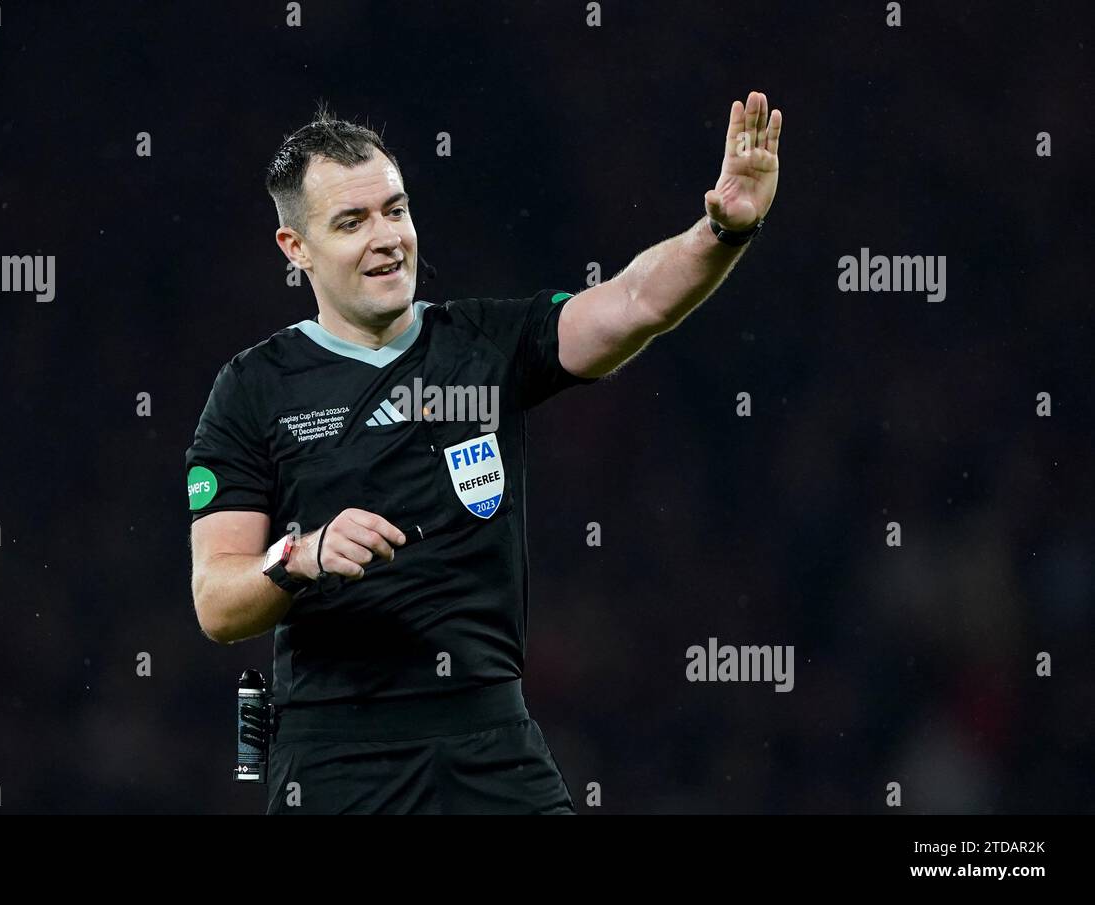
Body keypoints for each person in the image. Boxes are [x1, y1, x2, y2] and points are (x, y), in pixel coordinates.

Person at [186, 94, 782, 814]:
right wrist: (301, 554)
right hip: (336, 758)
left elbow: (634, 304)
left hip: (488, 742)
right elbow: (217, 601)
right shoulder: (254, 387)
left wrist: (721, 229)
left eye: (395, 210)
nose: (387, 238)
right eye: (351, 222)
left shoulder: (486, 344)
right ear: (296, 248)